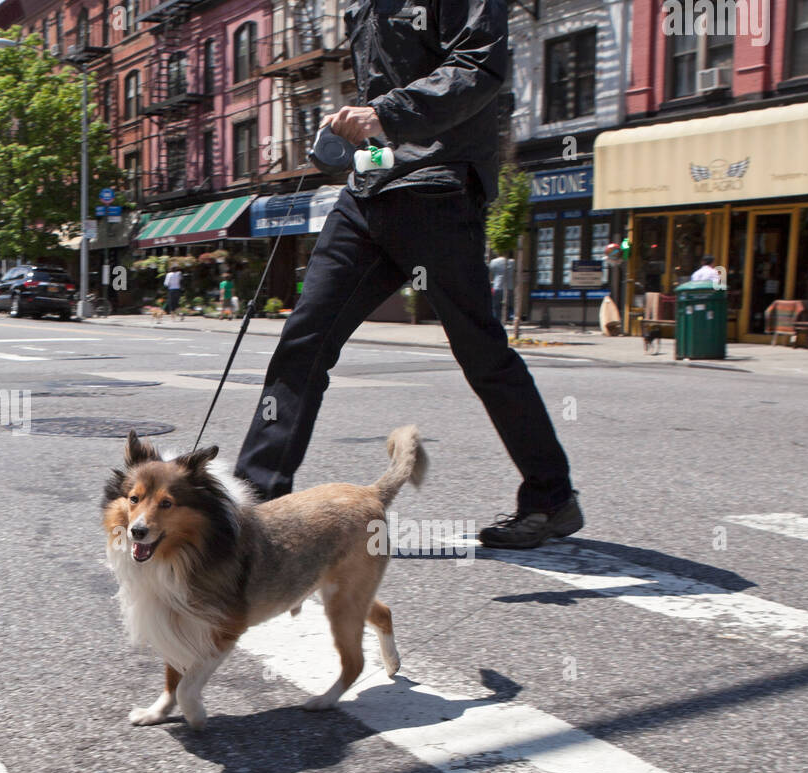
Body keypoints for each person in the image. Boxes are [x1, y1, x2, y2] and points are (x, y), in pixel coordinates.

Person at [231, 0, 580, 550]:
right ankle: (255, 506)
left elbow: (480, 66)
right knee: (305, 337)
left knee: (481, 353)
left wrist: (384, 114)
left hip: (438, 187)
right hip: (371, 188)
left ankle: (551, 498)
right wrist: (359, 135)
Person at [489, 253, 514, 324]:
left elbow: (491, 273)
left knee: (496, 306)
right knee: (510, 305)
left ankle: (497, 320)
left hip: (498, 286)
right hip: (509, 287)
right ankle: (510, 318)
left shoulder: (494, 262)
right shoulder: (512, 262)